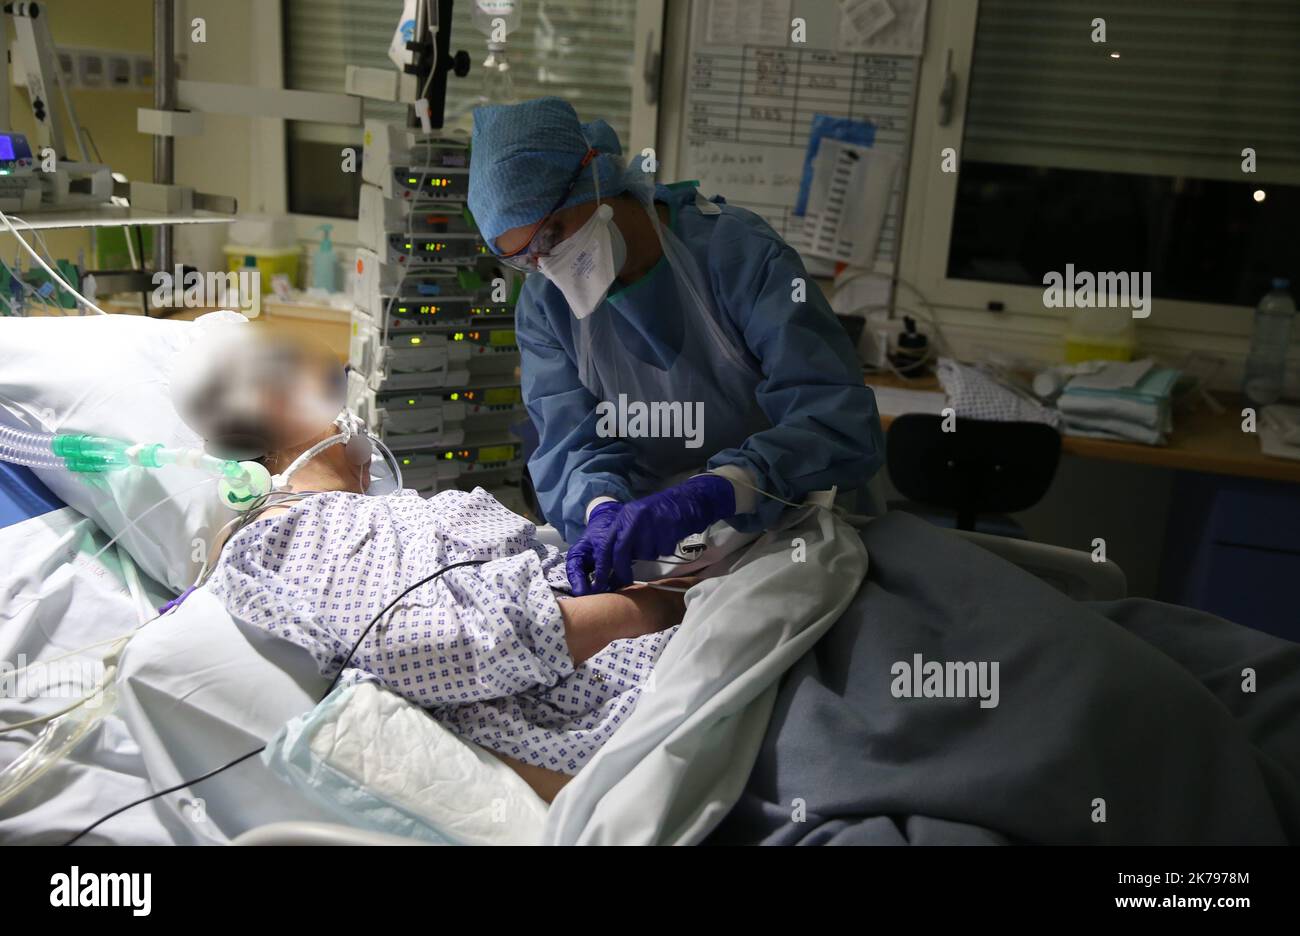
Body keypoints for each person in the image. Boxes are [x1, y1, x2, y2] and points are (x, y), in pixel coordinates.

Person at [193, 328, 689, 802]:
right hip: (639, 695)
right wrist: (660, 605)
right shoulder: (296, 529)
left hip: (657, 662)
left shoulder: (367, 514)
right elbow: (457, 643)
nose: (346, 415)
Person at [468, 97, 884, 595]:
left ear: (593, 177)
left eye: (550, 236)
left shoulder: (740, 257)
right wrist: (600, 508)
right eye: (522, 258)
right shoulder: (545, 305)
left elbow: (832, 418)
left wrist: (722, 490)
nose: (544, 265)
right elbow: (569, 441)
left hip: (787, 518)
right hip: (651, 543)